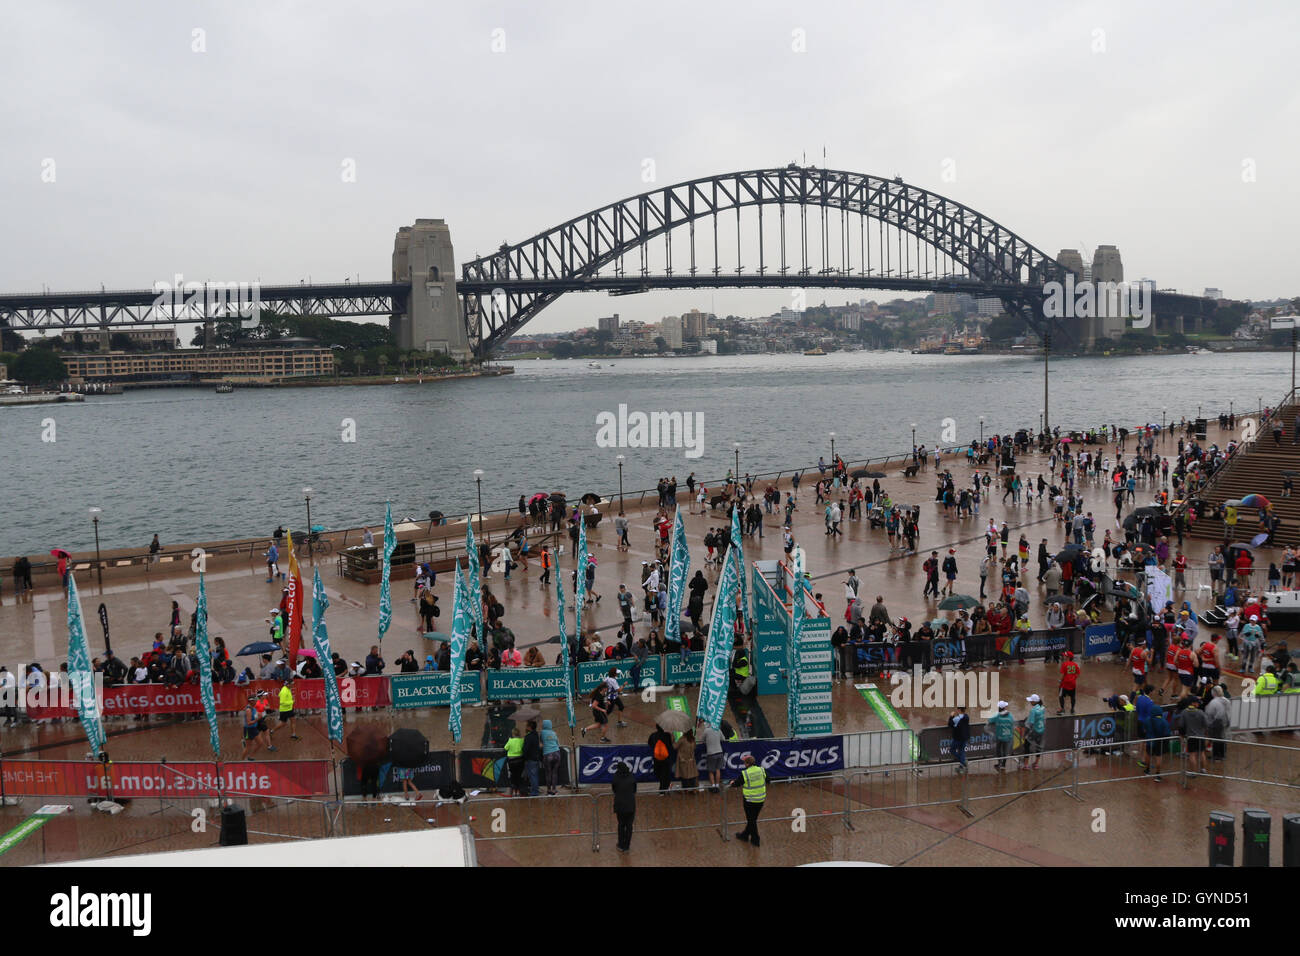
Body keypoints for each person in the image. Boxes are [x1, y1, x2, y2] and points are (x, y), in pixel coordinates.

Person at [733, 753, 768, 846]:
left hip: (749, 801)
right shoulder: (761, 770)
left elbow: (736, 783)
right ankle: (744, 835)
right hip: (760, 800)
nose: (744, 764)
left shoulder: (745, 773)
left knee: (751, 820)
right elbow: (768, 780)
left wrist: (732, 783)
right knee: (752, 819)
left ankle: (755, 839)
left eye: (744, 762)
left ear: (747, 764)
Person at [611, 760, 637, 852]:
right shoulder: (631, 776)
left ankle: (621, 844)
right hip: (630, 805)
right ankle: (627, 846)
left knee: (621, 825)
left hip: (620, 805)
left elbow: (614, 789)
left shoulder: (616, 777)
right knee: (629, 826)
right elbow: (634, 790)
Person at [988, 700, 1015, 771]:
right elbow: (1013, 722)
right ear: (1005, 708)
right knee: (1005, 751)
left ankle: (1000, 763)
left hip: (999, 737)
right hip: (1008, 736)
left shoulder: (997, 715)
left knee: (998, 750)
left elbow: (990, 720)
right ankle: (1003, 765)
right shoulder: (1010, 715)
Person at [699, 718, 725, 792]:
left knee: (710, 771)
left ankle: (713, 786)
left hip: (711, 753)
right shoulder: (718, 729)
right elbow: (723, 739)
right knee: (718, 770)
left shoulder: (706, 731)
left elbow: (701, 740)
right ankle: (717, 785)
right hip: (719, 752)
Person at [1023, 694, 1046, 769]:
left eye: (1031, 701)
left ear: (1034, 702)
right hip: (1041, 731)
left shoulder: (1033, 711)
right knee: (1038, 747)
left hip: (1033, 732)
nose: (1030, 702)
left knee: (1027, 747)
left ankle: (1026, 765)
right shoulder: (1043, 708)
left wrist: (1025, 733)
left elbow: (1031, 724)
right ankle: (1036, 764)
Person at [648, 723, 675, 791]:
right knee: (665, 773)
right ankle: (664, 788)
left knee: (659, 773)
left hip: (656, 758)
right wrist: (672, 735)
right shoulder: (667, 735)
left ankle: (663, 787)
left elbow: (650, 743)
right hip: (666, 758)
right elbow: (671, 744)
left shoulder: (653, 735)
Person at [540, 719, 563, 795]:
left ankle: (549, 790)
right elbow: (558, 743)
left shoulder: (542, 732)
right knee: (555, 773)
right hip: (557, 753)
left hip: (548, 754)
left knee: (548, 773)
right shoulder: (554, 733)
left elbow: (541, 742)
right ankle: (554, 790)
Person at [522, 720, 543, 797]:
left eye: (527, 726)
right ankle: (535, 790)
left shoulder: (528, 737)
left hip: (530, 759)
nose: (526, 727)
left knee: (533, 776)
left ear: (530, 727)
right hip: (536, 758)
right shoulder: (536, 735)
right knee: (535, 775)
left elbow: (525, 749)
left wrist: (524, 755)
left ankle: (534, 792)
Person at [504, 727, 526, 796]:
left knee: (513, 776)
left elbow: (505, 748)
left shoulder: (510, 741)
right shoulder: (522, 740)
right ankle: (520, 791)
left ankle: (514, 791)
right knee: (519, 776)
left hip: (512, 761)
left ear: (513, 734)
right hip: (520, 761)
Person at [1057, 651, 1080, 715]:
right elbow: (1078, 673)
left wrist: (1060, 681)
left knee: (1060, 695)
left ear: (1068, 657)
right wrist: (1074, 678)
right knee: (1073, 697)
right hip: (1073, 684)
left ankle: (1062, 709)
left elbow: (1063, 675)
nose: (1063, 656)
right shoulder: (1075, 664)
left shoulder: (1064, 664)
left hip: (1064, 684)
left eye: (1065, 656)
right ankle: (1072, 709)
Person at [948, 705, 969, 772]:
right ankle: (962, 765)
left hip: (957, 738)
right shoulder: (967, 717)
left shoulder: (957, 718)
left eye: (957, 709)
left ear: (959, 710)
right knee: (961, 751)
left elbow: (950, 724)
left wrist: (951, 716)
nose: (956, 710)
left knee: (952, 750)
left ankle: (963, 762)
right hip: (964, 737)